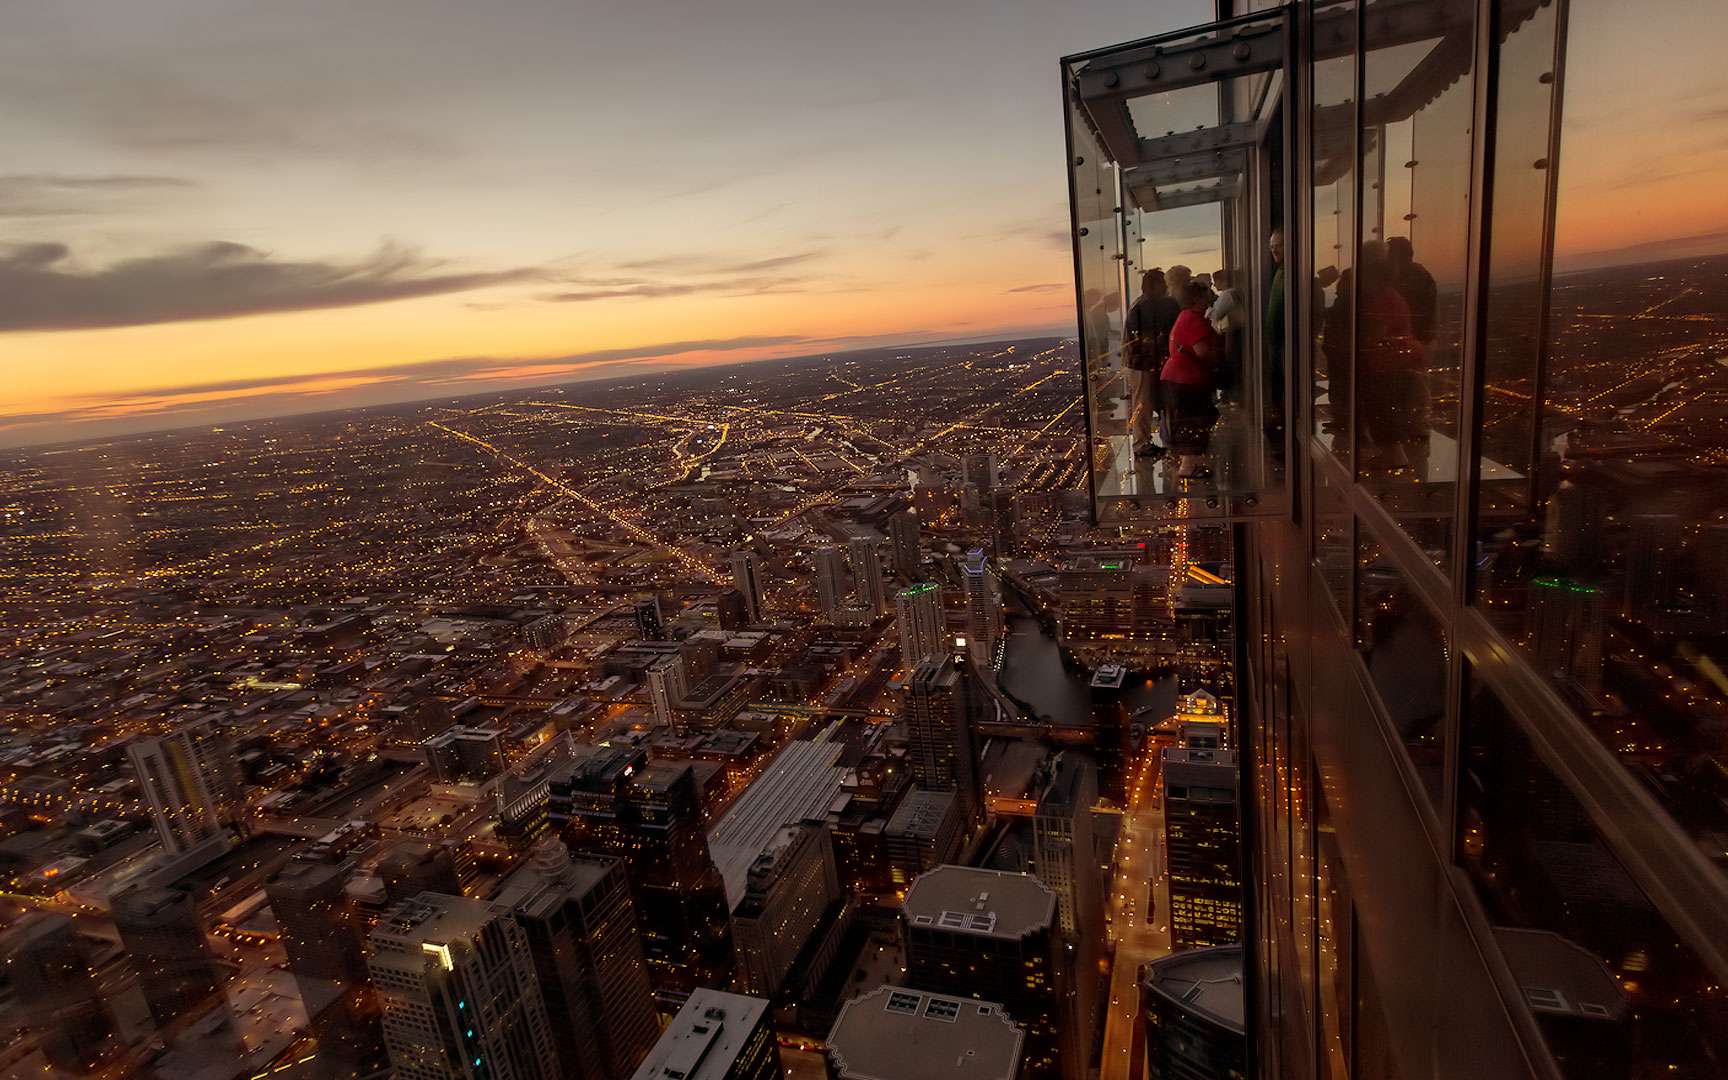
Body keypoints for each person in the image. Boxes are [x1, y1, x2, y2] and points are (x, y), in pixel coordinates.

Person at [1161, 281, 1224, 479]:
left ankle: (1191, 465)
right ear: (1196, 298)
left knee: (1190, 422)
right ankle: (1188, 468)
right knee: (1193, 422)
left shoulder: (1185, 316)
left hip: (1178, 379)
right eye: (1207, 295)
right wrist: (1222, 356)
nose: (1210, 298)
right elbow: (1202, 351)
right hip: (1186, 381)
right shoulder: (1193, 319)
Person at [1124, 269, 1182, 458]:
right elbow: (1146, 339)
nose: (1165, 287)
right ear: (1155, 285)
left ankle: (1143, 443)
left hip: (1142, 363)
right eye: (1162, 283)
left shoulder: (1141, 305)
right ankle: (1142, 444)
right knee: (1144, 403)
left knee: (1144, 403)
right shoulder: (1148, 307)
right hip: (1143, 364)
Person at [1386, 237, 1437, 347]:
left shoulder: (1410, 278)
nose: (1387, 259)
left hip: (1412, 340)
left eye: (1390, 255)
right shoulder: (1420, 275)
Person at [1208, 268, 1244, 403]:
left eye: (1215, 281)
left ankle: (1231, 394)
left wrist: (1209, 310)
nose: (1214, 284)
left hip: (1233, 333)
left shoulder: (1228, 294)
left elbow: (1215, 315)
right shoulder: (1234, 293)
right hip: (1236, 331)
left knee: (1232, 362)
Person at [1264, 231, 1285, 430]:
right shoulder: (1281, 272)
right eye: (1271, 247)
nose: (1274, 250)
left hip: (1286, 342)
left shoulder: (1289, 272)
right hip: (1277, 342)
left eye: (1278, 245)